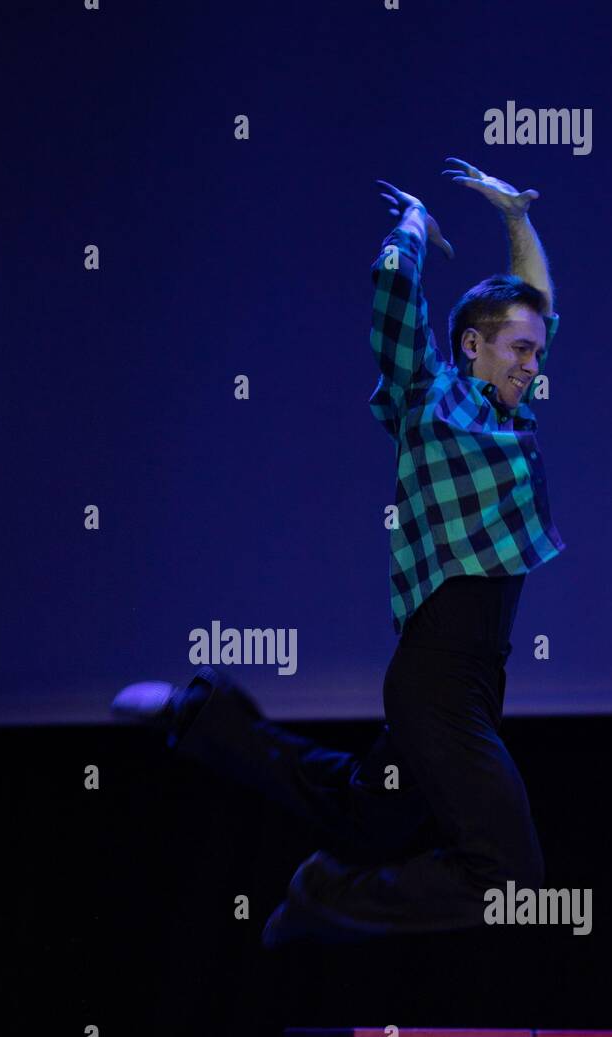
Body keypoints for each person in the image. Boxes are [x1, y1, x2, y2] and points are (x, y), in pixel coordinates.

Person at [112, 157, 566, 948]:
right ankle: (328, 896)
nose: (534, 362)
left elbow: (539, 305)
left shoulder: (509, 416)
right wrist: (414, 227)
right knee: (510, 876)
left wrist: (516, 221)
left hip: (470, 682)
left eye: (534, 351)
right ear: (471, 346)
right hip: (437, 683)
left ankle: (197, 718)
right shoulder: (424, 398)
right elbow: (393, 296)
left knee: (368, 805)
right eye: (520, 350)